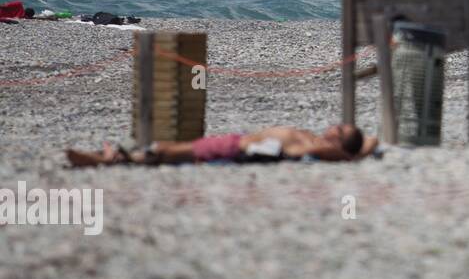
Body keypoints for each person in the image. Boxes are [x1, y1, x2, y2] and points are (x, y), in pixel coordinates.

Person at [65, 124, 377, 167]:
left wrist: (353, 149)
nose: (333, 124)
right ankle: (112, 156)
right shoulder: (313, 140)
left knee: (165, 151)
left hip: (234, 149)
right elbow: (369, 143)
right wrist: (360, 145)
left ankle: (108, 160)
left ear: (337, 141)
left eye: (339, 128)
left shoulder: (314, 148)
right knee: (169, 146)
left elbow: (352, 153)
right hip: (233, 142)